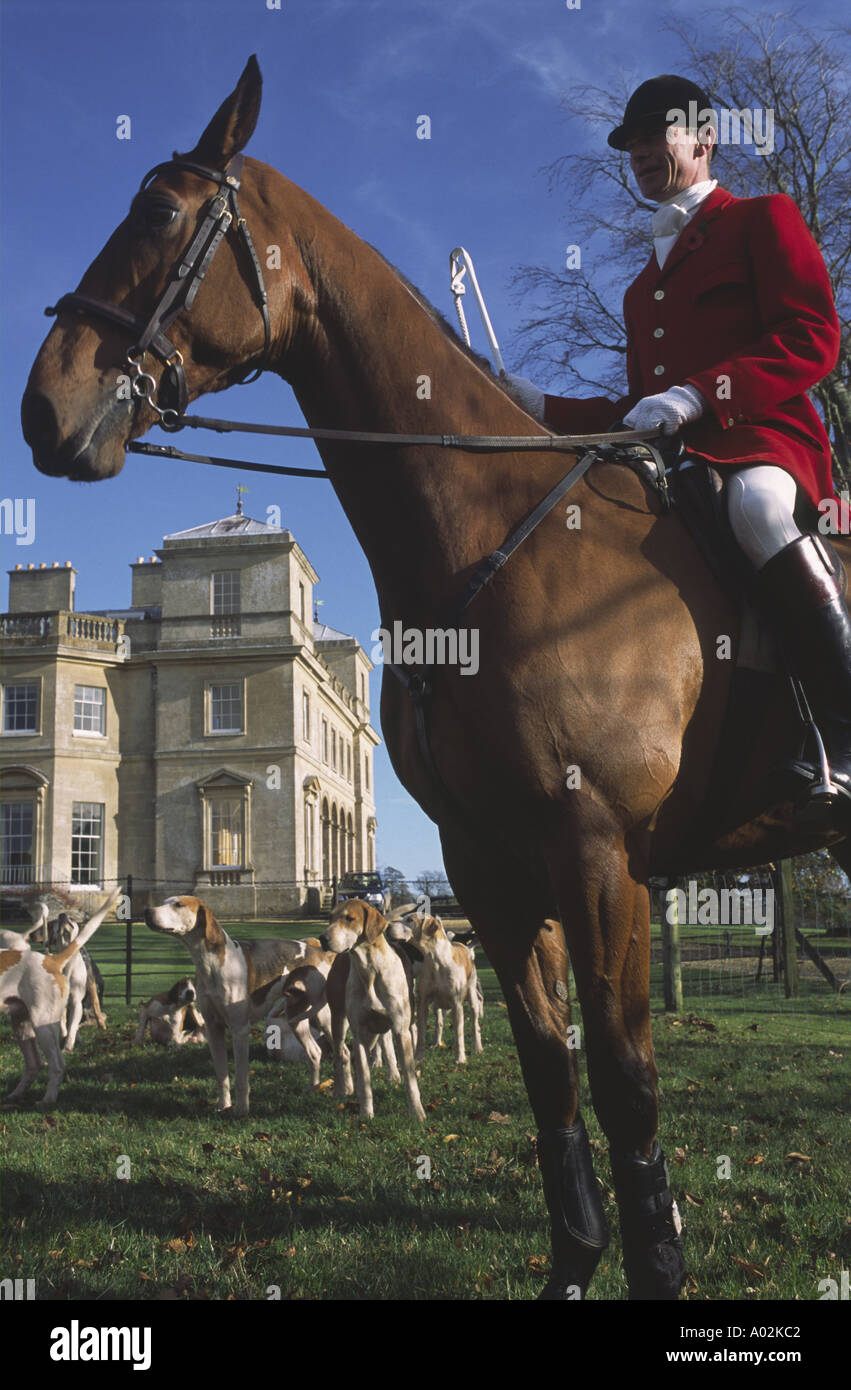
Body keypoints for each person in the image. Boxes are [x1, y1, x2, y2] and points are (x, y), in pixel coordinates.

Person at [508, 74, 847, 820]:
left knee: (758, 509)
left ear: (701, 138)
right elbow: (633, 410)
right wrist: (537, 406)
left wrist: (700, 395)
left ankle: (842, 727)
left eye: (651, 136)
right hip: (676, 462)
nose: (637, 153)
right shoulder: (639, 290)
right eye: (629, 144)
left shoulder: (763, 218)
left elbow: (812, 336)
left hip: (765, 439)